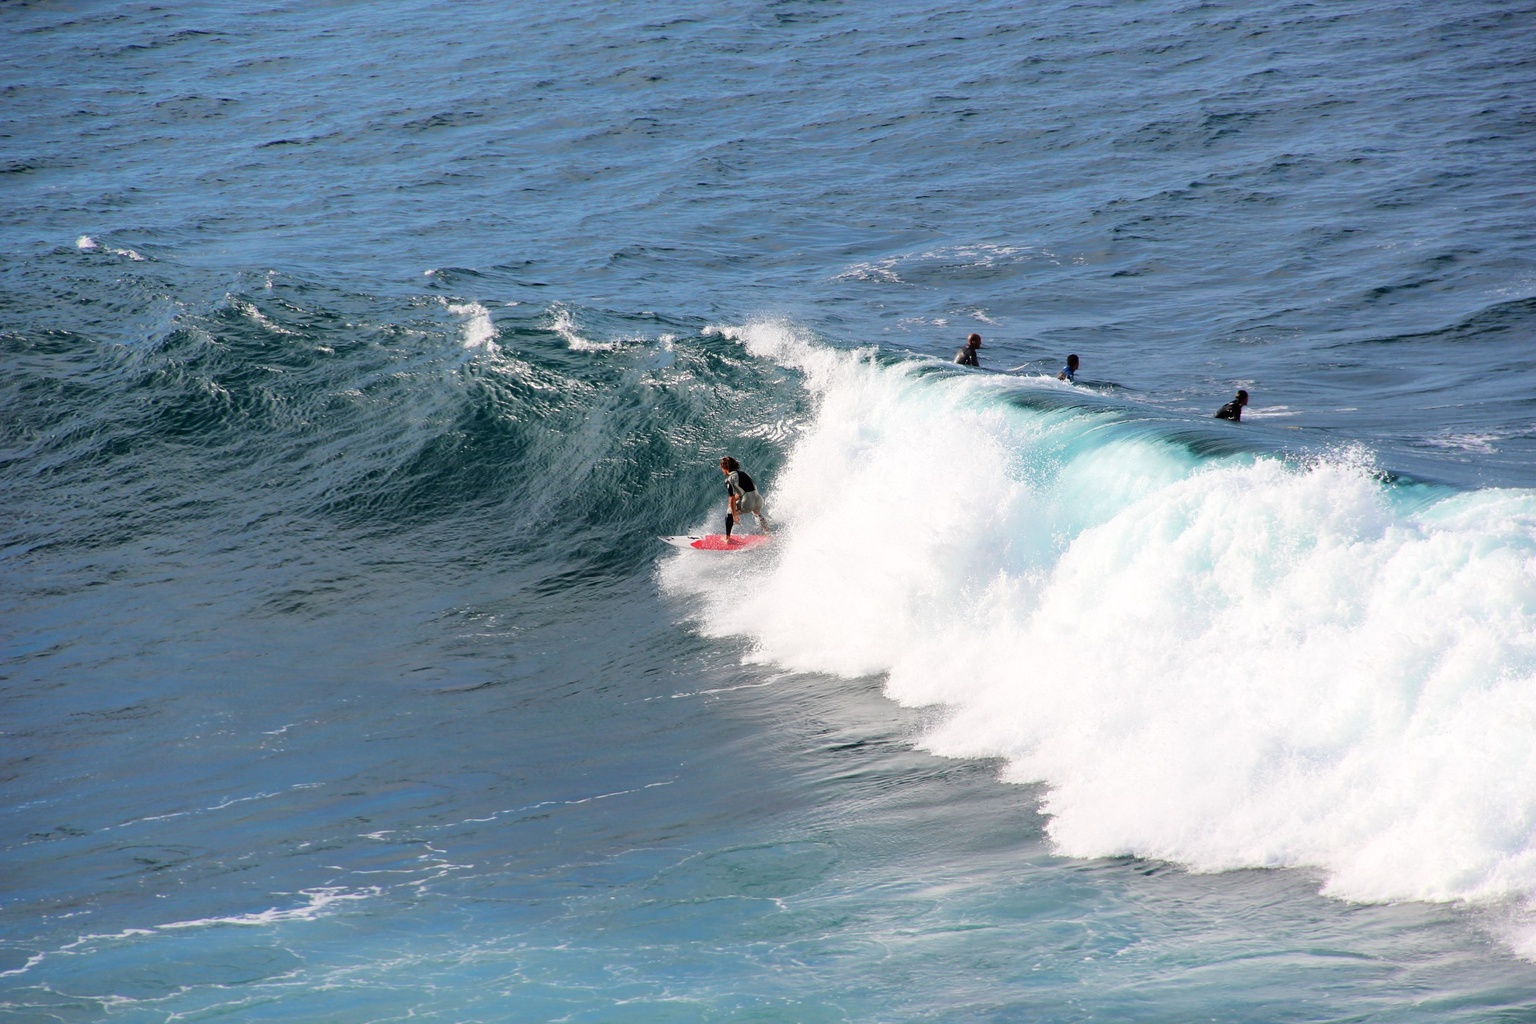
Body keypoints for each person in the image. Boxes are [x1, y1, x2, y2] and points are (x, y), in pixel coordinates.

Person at [720, 456, 770, 539]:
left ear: (724, 468)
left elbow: (732, 498)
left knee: (729, 513)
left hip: (748, 503)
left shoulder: (730, 478)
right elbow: (743, 491)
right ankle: (768, 533)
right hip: (758, 500)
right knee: (757, 513)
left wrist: (734, 515)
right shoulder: (744, 474)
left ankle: (727, 538)